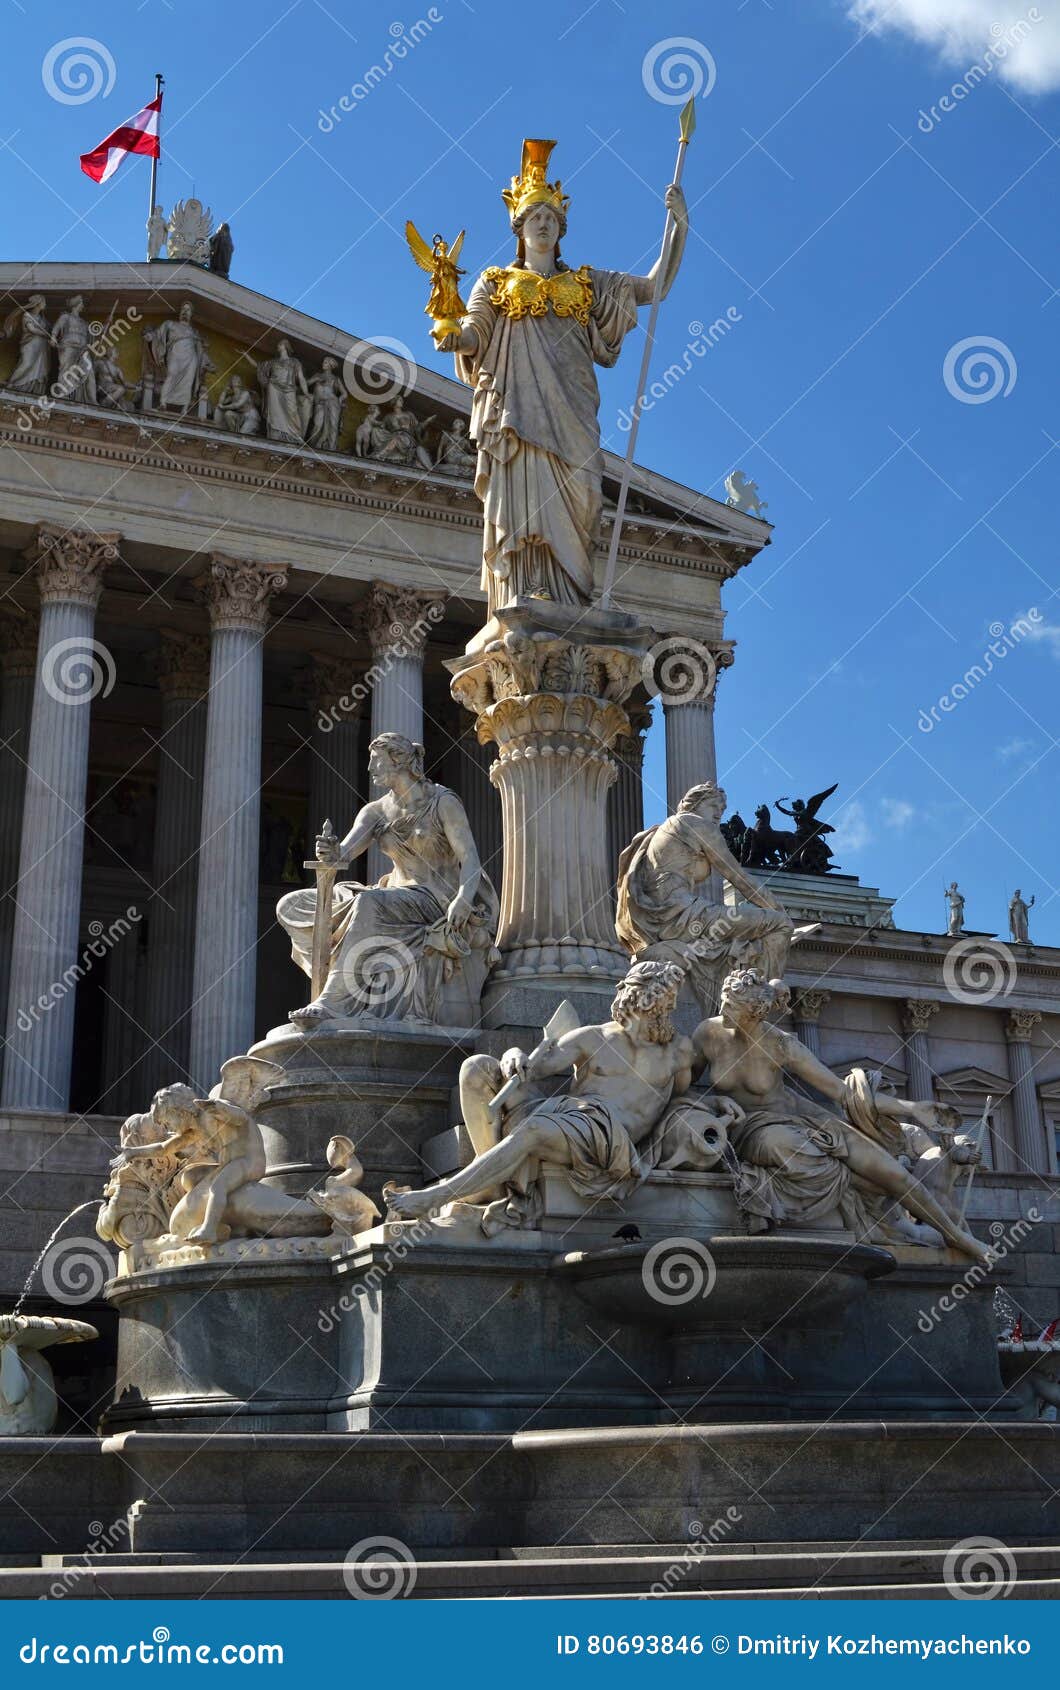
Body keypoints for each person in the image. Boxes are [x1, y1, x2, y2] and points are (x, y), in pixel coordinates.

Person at [438, 138, 688, 622]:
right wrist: (453, 336)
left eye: (552, 219)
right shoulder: (494, 282)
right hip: (518, 415)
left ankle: (571, 599)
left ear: (562, 228)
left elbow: (655, 288)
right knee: (522, 506)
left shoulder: (591, 285)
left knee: (586, 497)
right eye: (536, 218)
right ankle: (528, 587)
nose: (545, 224)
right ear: (519, 228)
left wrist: (678, 224)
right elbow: (474, 335)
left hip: (573, 413)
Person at [692, 969, 991, 1264]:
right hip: (752, 1126)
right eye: (725, 1002)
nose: (724, 1012)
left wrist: (911, 1108)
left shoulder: (781, 1044)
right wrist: (716, 1100)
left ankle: (957, 1237)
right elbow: (682, 1090)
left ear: (756, 1013)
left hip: (802, 1115)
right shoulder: (708, 1033)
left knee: (893, 1172)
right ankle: (863, 1191)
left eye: (733, 1008)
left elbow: (841, 1092)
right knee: (788, 1146)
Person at [383, 960, 692, 1226]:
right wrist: (513, 1054)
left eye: (666, 1003)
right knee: (476, 1068)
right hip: (571, 1116)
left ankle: (438, 1196)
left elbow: (682, 1100)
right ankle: (491, 1181)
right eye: (656, 1001)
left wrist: (712, 1106)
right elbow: (536, 1068)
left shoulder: (678, 1051)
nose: (664, 1009)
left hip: (609, 1139)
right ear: (632, 996)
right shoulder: (593, 1037)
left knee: (534, 1127)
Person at [277, 733, 497, 1028]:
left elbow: (470, 857)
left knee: (368, 902)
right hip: (396, 895)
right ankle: (346, 981)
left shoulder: (442, 802)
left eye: (376, 761)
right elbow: (344, 853)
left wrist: (463, 899)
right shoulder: (375, 811)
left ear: (400, 761)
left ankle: (334, 1001)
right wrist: (330, 851)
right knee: (292, 905)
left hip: (436, 899)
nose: (370, 769)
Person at [616, 780, 813, 1013]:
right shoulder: (696, 824)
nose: (719, 814)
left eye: (722, 809)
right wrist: (779, 911)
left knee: (739, 937)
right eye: (715, 806)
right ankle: (759, 1005)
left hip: (662, 919)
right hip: (684, 917)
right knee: (779, 925)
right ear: (696, 804)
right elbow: (739, 878)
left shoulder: (662, 829)